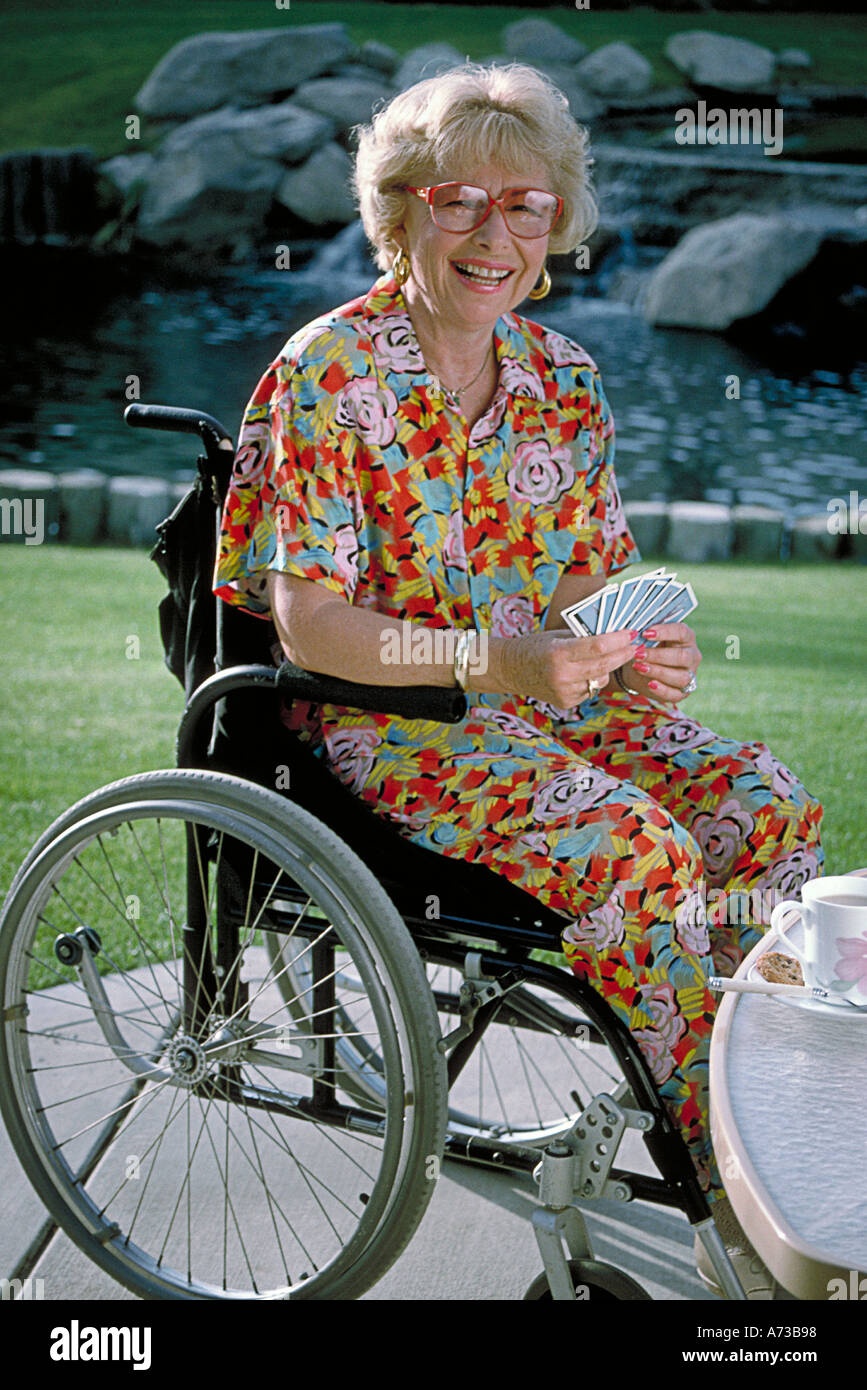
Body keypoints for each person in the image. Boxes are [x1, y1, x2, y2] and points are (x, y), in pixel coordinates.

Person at [213, 63, 824, 1297]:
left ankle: (750, 1091)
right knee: (634, 852)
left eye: (527, 208)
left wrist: (644, 651)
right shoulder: (332, 372)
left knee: (770, 805)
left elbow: (595, 587)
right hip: (390, 725)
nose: (496, 235)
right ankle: (736, 1180)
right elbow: (310, 622)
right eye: (461, 201)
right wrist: (502, 661)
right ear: (401, 211)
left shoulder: (566, 379)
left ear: (559, 224)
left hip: (553, 708)